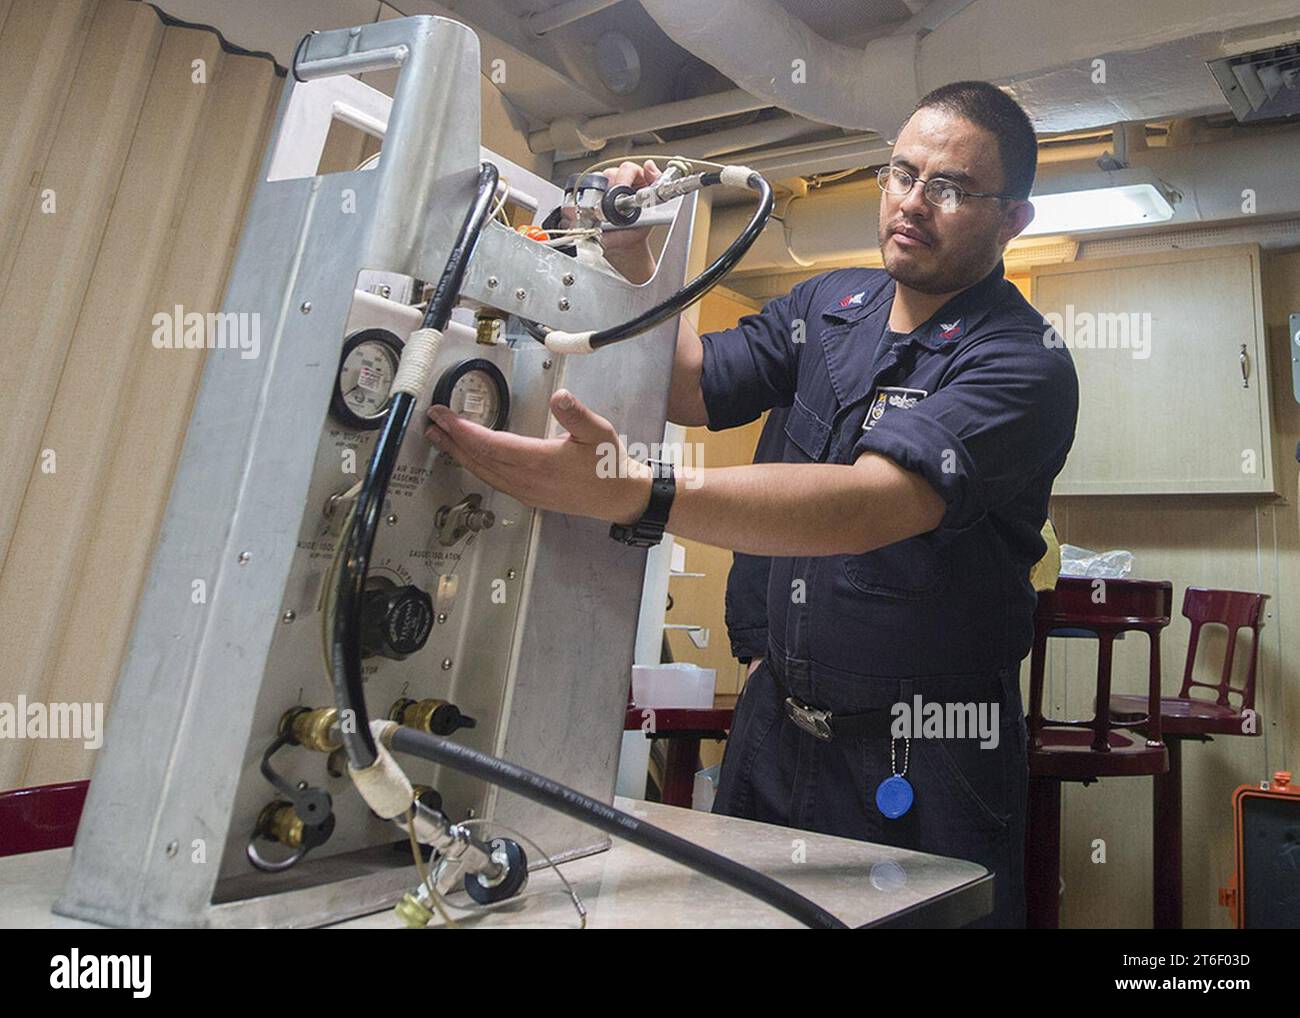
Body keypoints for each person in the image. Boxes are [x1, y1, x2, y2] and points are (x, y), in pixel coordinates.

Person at [424, 80, 1079, 928]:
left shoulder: (1024, 363)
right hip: (777, 725)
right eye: (902, 174)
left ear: (1012, 219)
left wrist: (639, 493)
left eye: (950, 188)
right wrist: (634, 258)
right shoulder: (829, 305)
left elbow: (872, 504)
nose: (913, 203)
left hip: (927, 749)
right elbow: (694, 385)